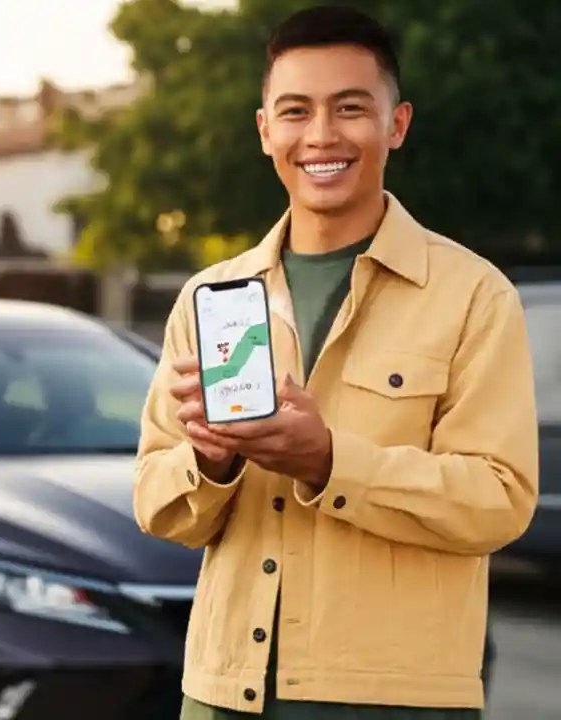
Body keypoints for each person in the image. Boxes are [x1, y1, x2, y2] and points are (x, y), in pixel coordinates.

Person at [132, 5, 539, 719]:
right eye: (295, 112)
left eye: (350, 109)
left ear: (397, 123)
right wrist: (213, 461)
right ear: (265, 131)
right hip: (224, 693)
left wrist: (329, 461)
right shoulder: (210, 297)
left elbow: (499, 500)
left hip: (395, 702)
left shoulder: (475, 296)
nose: (320, 135)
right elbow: (159, 506)